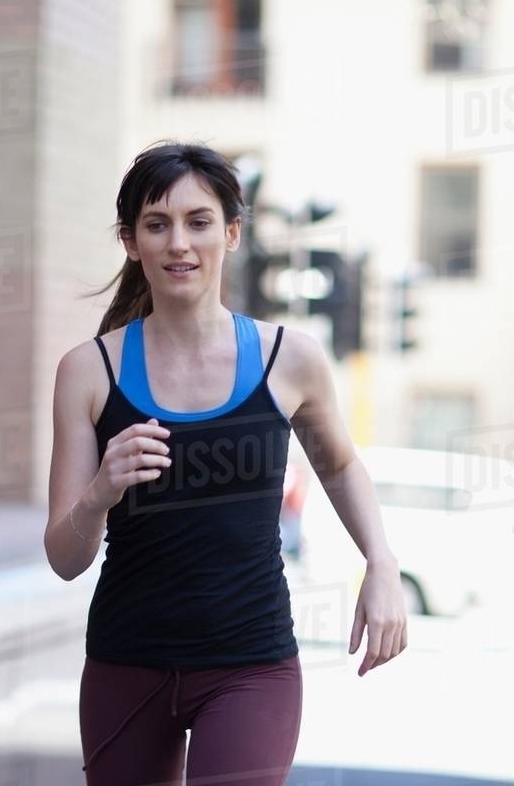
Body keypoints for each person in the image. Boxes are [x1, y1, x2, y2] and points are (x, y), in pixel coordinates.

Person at [43, 142, 408, 786]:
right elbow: (64, 559)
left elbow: (342, 467)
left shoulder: (288, 359)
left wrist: (380, 564)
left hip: (251, 664)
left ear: (232, 233)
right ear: (131, 242)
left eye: (199, 221)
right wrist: (100, 491)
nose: (179, 242)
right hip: (127, 662)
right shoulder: (88, 371)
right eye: (157, 225)